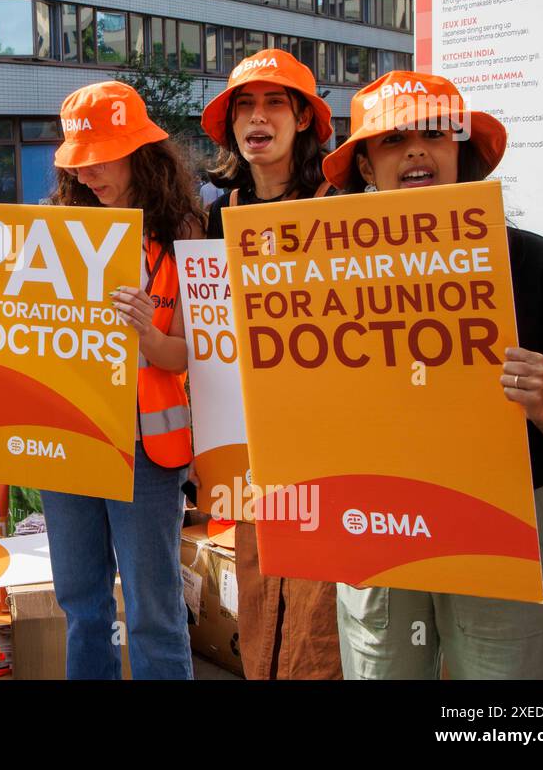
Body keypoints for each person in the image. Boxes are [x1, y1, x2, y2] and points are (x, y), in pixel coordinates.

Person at [325, 71, 543, 679]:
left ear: (463, 153)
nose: (415, 150)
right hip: (377, 521)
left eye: (435, 133)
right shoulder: (323, 273)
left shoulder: (535, 264)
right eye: (391, 140)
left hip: (507, 524)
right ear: (365, 170)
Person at [42, 80, 204, 679]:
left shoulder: (184, 230)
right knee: (81, 604)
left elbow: (188, 354)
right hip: (70, 441)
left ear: (140, 152)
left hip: (146, 448)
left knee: (152, 607)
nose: (89, 175)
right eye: (79, 163)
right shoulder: (57, 228)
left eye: (103, 158)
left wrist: (148, 336)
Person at [200, 48, 343, 680]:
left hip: (327, 435)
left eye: (275, 103)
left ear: (306, 119)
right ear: (230, 125)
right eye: (245, 107)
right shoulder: (217, 212)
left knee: (322, 597)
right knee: (259, 585)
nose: (258, 119)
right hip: (248, 435)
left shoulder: (341, 200)